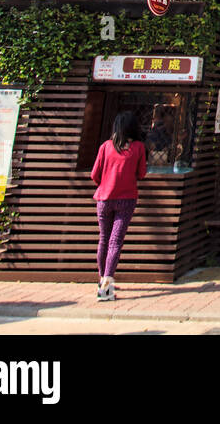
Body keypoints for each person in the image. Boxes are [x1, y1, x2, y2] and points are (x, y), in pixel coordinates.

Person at [91, 112, 148, 302]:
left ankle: (103, 279)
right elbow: (141, 174)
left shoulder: (105, 147)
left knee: (104, 239)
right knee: (115, 241)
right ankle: (106, 286)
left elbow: (95, 175)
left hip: (104, 198)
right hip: (126, 199)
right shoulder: (138, 148)